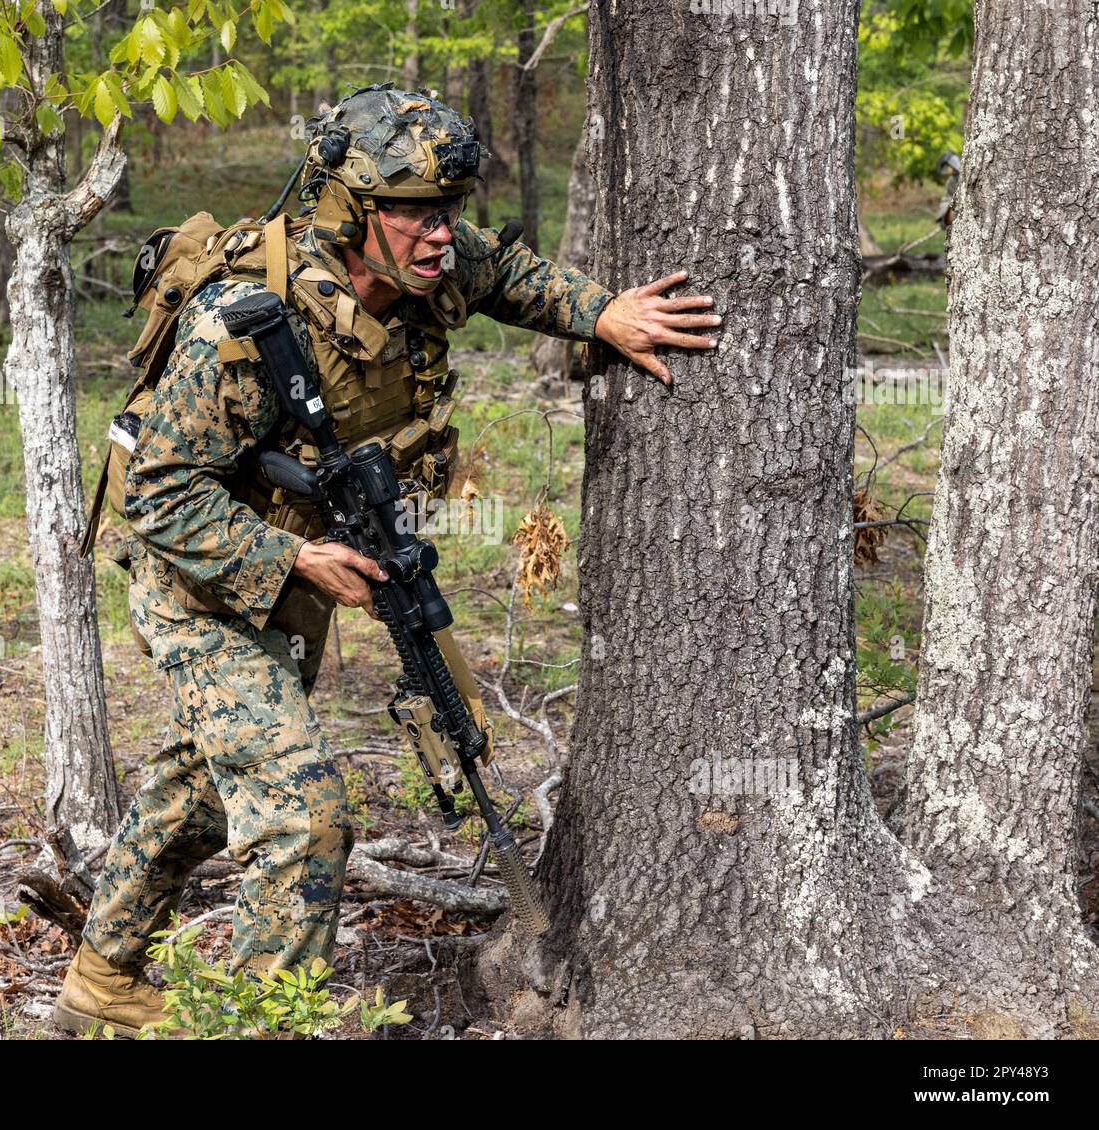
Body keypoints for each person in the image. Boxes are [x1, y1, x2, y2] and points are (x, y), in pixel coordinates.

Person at [53, 83, 721, 1037]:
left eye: (449, 209)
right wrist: (294, 559)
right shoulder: (246, 326)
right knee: (304, 814)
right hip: (203, 581)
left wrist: (605, 315)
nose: (441, 232)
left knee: (201, 784)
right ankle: (260, 1025)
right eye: (414, 213)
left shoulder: (431, 260)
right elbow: (157, 492)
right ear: (352, 211)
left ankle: (100, 979)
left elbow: (514, 278)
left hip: (296, 566)